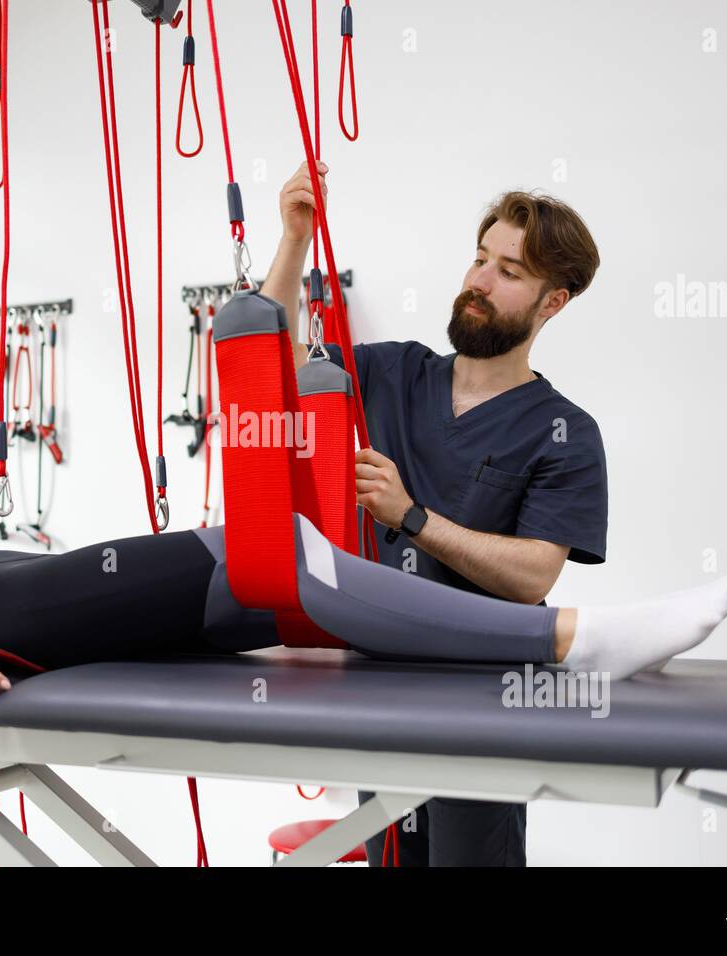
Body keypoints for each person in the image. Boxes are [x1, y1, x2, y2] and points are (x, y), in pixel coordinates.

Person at [0, 487, 727, 726]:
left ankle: (554, 646)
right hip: (2, 608)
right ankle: (575, 637)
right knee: (248, 550)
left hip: (27, 588)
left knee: (265, 584)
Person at [260, 162, 608, 865]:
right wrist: (294, 240)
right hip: (377, 689)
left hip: (485, 707)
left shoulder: (564, 431)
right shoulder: (393, 373)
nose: (479, 280)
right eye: (480, 259)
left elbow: (533, 575)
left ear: (553, 303)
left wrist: (413, 517)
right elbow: (269, 367)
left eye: (509, 271)